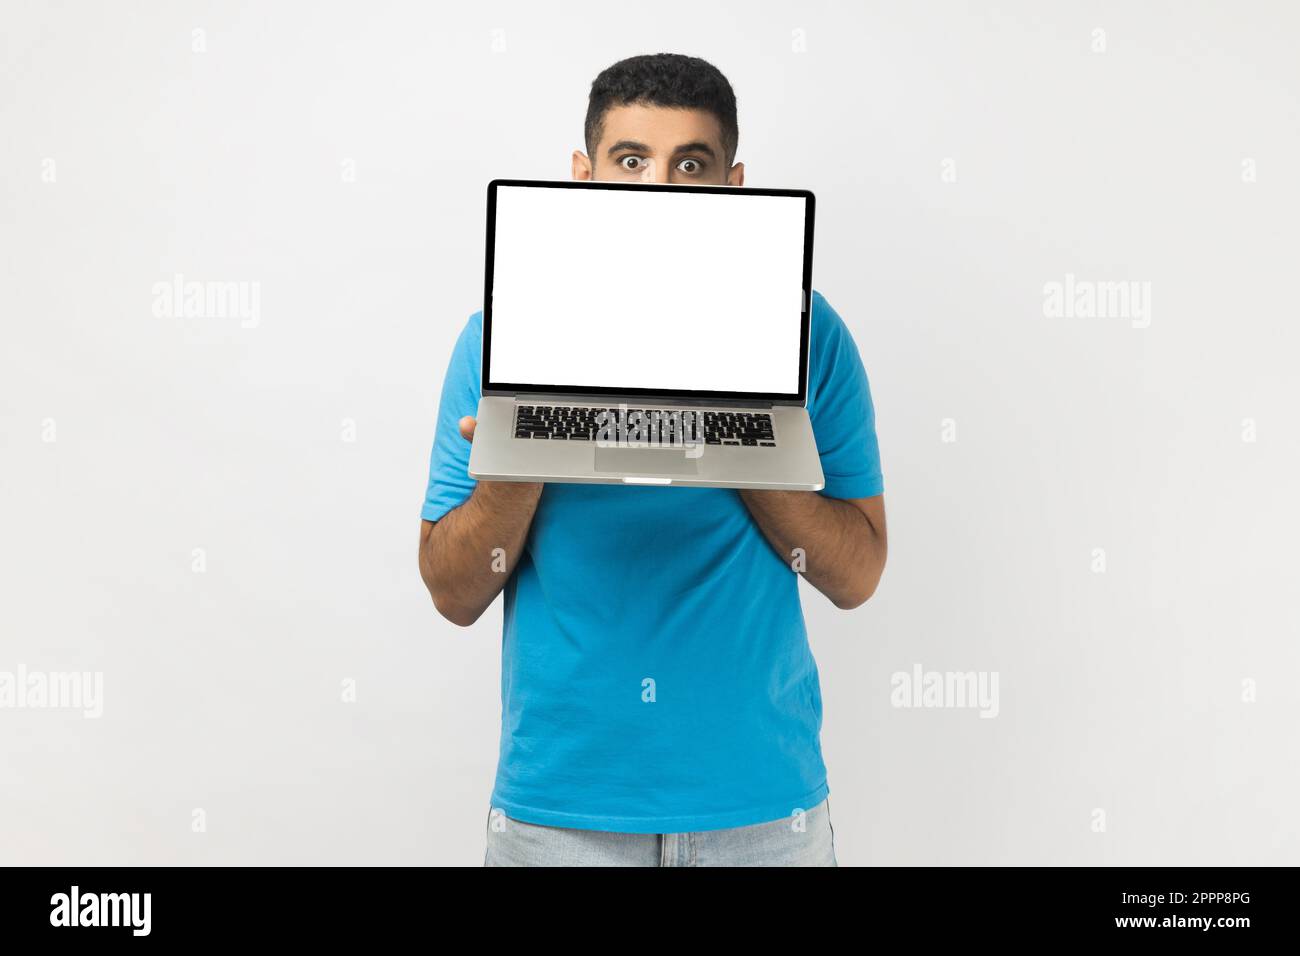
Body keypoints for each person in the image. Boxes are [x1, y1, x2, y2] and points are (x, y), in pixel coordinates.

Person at [418, 53, 887, 866]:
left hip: (762, 814)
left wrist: (736, 429)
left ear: (734, 185)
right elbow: (454, 595)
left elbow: (856, 576)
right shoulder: (496, 338)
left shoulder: (813, 335)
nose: (659, 189)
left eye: (691, 166)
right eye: (631, 161)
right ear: (583, 175)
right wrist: (519, 458)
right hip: (560, 817)